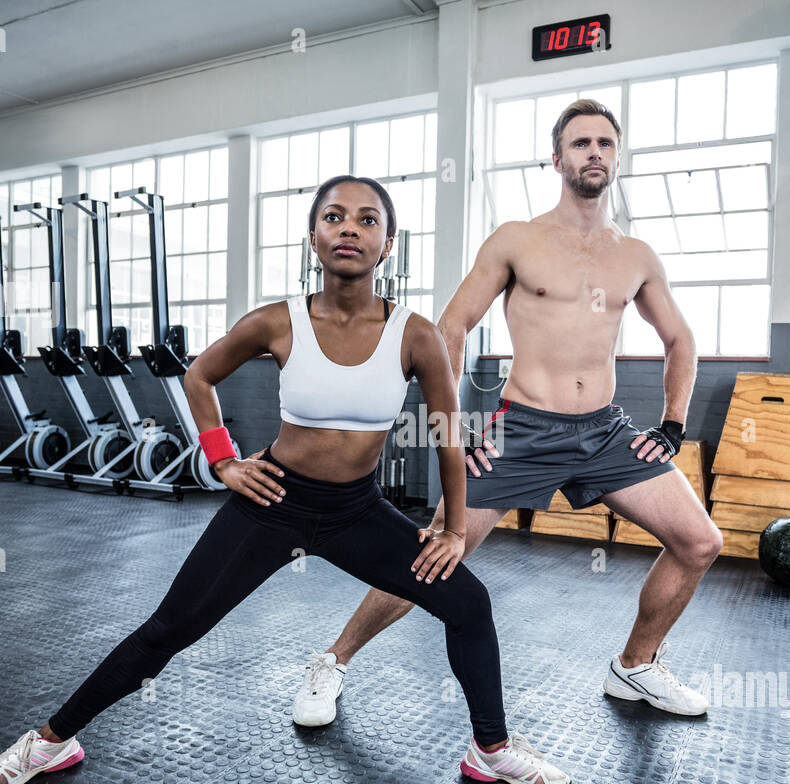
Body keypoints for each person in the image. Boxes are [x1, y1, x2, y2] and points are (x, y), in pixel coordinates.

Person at [0, 175, 570, 784]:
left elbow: (446, 432)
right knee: (170, 629)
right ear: (314, 238)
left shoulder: (414, 335)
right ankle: (49, 743)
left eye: (367, 220)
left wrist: (449, 528)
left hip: (356, 512)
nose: (349, 229)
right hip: (271, 502)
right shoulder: (276, 322)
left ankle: (490, 751)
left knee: (467, 602)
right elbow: (199, 377)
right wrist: (224, 462)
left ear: (387, 245)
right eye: (334, 217)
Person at [293, 101, 721, 727]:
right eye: (580, 144)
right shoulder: (518, 239)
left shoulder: (637, 257)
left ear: (619, 159)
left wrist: (673, 424)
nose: (594, 152)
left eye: (605, 143)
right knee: (437, 553)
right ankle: (331, 662)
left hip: (603, 430)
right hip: (522, 429)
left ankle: (635, 666)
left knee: (701, 541)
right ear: (557, 159)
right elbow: (452, 327)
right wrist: (459, 427)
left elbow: (681, 340)